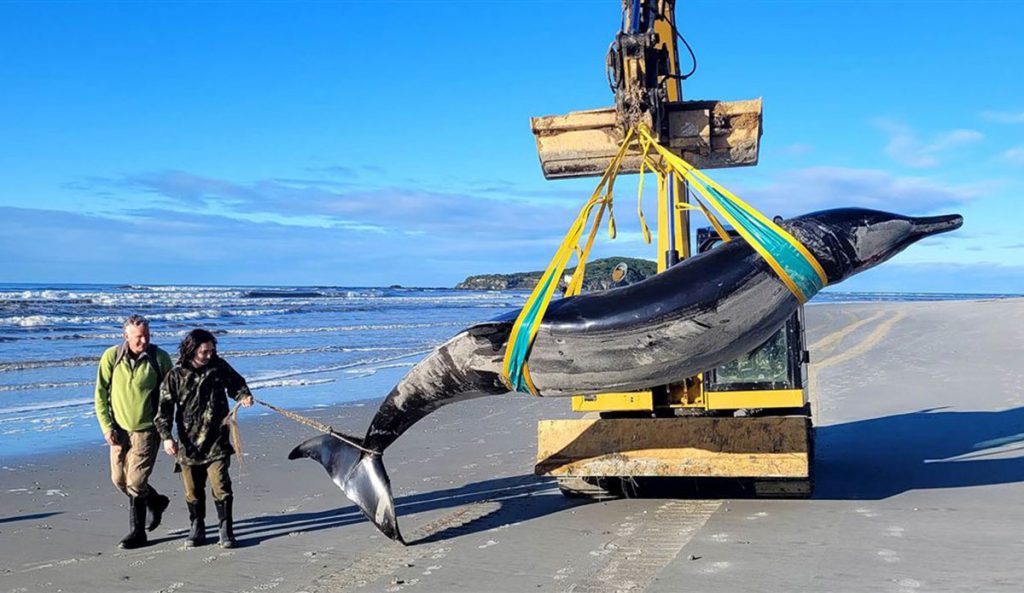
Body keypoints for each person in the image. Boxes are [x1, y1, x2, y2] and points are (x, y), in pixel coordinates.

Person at [155, 329, 253, 548]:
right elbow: (164, 410)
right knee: (192, 490)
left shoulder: (219, 367)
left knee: (221, 485)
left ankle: (226, 530)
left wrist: (244, 395)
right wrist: (166, 438)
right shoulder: (176, 375)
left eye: (212, 350)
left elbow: (237, 384)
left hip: (217, 440)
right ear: (192, 350)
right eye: (205, 351)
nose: (210, 355)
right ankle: (197, 526)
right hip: (188, 445)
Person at [94, 314, 174, 549]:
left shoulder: (159, 358)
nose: (143, 341)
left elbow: (171, 395)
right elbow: (100, 394)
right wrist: (107, 427)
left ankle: (137, 533)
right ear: (126, 336)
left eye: (147, 336)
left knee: (136, 482)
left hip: (147, 430)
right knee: (119, 480)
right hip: (118, 430)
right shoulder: (112, 356)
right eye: (138, 337)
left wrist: (167, 430)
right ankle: (156, 501)